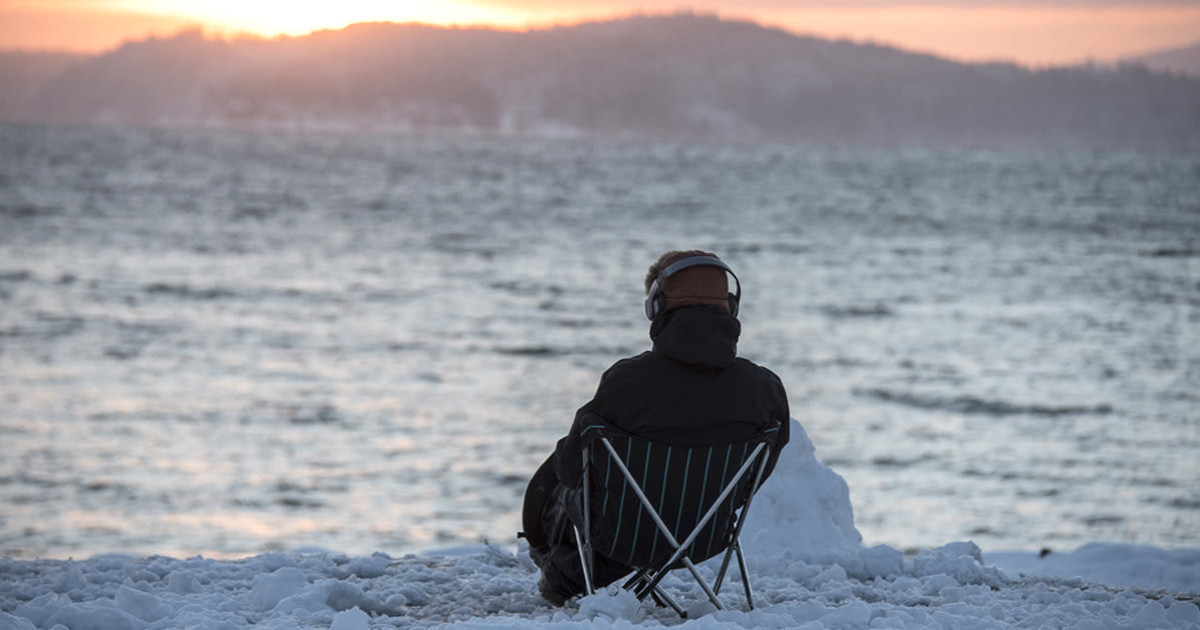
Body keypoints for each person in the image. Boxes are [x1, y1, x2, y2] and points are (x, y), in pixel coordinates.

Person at [520, 250, 791, 605]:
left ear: (657, 308)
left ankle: (565, 573)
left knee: (562, 469)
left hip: (620, 536)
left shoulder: (626, 381)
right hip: (706, 537)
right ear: (730, 307)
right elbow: (757, 475)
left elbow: (571, 470)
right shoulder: (764, 388)